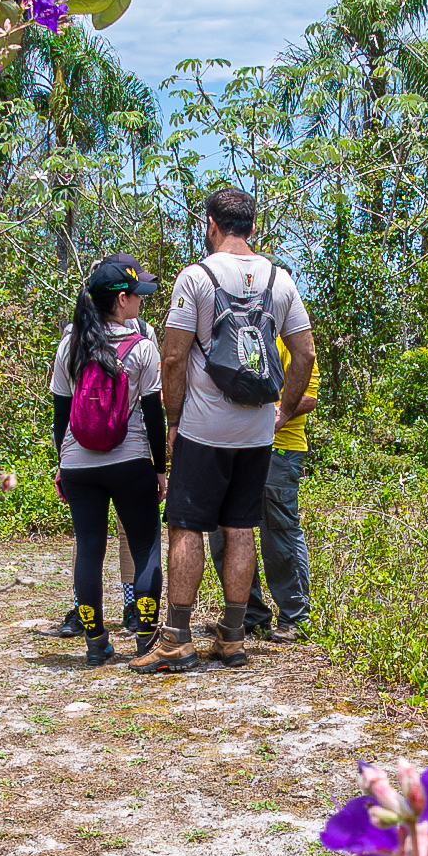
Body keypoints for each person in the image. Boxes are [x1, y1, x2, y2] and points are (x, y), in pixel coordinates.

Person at [138, 184, 310, 674]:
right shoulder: (281, 280)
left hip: (204, 427)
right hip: (257, 430)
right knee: (241, 527)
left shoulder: (196, 277)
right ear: (252, 227)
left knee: (187, 526)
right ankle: (233, 638)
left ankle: (176, 638)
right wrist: (283, 409)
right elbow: (306, 354)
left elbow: (172, 356)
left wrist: (173, 421)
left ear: (209, 224)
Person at [49, 259, 165, 663]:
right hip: (130, 461)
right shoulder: (143, 348)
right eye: (136, 296)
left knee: (89, 550)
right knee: (146, 546)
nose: (140, 303)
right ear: (121, 299)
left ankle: (96, 643)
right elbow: (154, 416)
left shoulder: (69, 345)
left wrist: (63, 464)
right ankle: (146, 636)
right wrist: (160, 468)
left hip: (79, 464)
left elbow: (60, 416)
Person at [238, 336, 322, 641]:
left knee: (279, 532)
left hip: (281, 448)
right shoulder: (240, 328)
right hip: (237, 448)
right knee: (231, 533)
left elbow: (309, 397)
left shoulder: (291, 335)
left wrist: (274, 414)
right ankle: (250, 615)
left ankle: (295, 617)